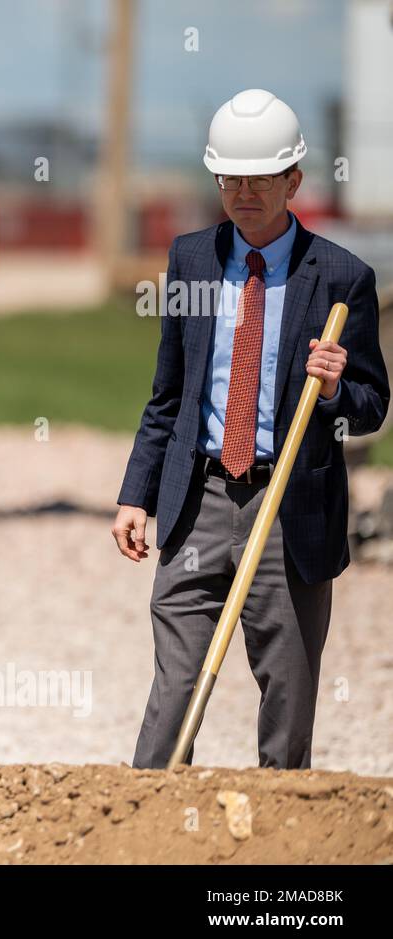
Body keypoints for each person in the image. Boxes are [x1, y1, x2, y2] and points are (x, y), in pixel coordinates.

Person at [114, 88, 388, 768]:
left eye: (259, 177)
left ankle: (278, 831)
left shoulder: (343, 278)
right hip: (198, 499)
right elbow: (168, 394)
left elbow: (373, 405)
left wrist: (332, 391)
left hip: (290, 506)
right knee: (176, 682)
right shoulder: (192, 261)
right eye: (229, 177)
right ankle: (145, 815)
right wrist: (135, 493)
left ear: (293, 179)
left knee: (287, 692)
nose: (242, 191)